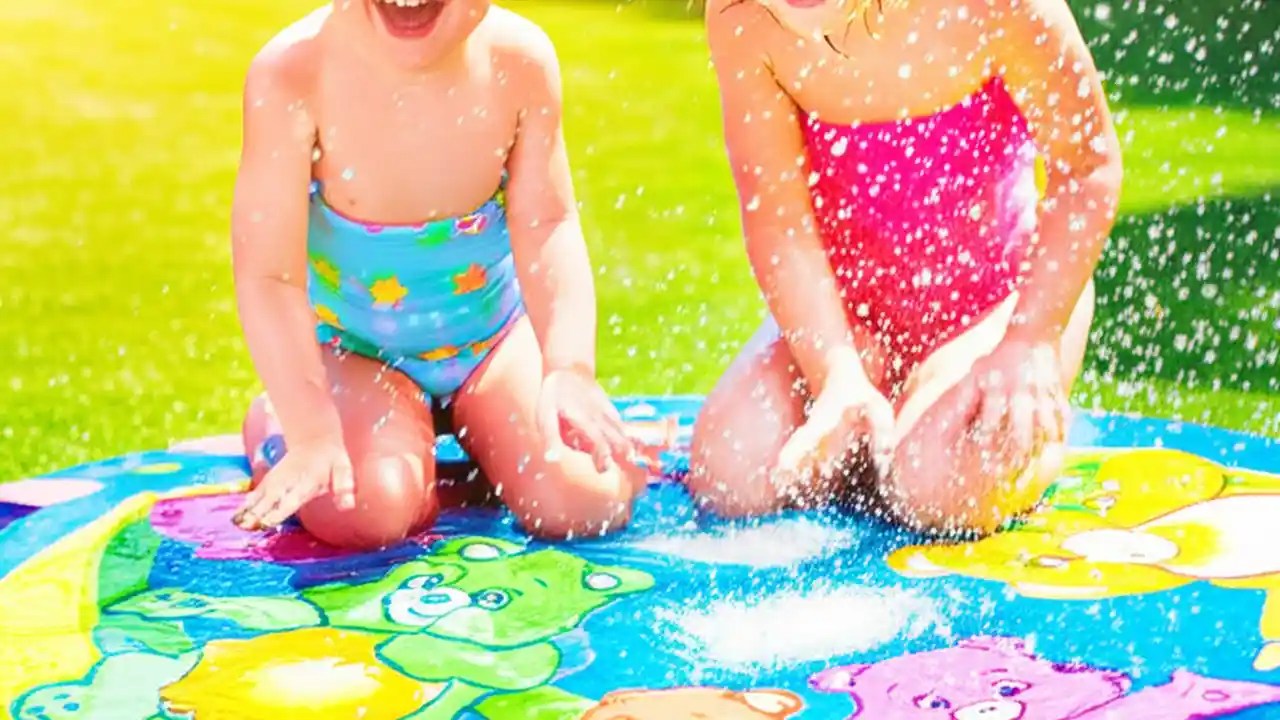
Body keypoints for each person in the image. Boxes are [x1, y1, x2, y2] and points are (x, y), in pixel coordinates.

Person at [690, 0, 1122, 534]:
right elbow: (780, 221)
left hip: (1001, 309)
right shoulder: (746, 17)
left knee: (939, 490)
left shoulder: (996, 8)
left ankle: (1028, 434)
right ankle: (876, 401)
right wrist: (834, 371)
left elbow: (1085, 170)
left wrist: (1031, 340)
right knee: (731, 473)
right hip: (851, 321)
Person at [228, 0, 642, 549]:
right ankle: (276, 425)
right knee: (366, 511)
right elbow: (269, 276)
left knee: (585, 501)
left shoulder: (517, 62)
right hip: (356, 351)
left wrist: (569, 369)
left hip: (491, 341)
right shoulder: (294, 74)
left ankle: (480, 435)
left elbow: (547, 225)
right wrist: (310, 429)